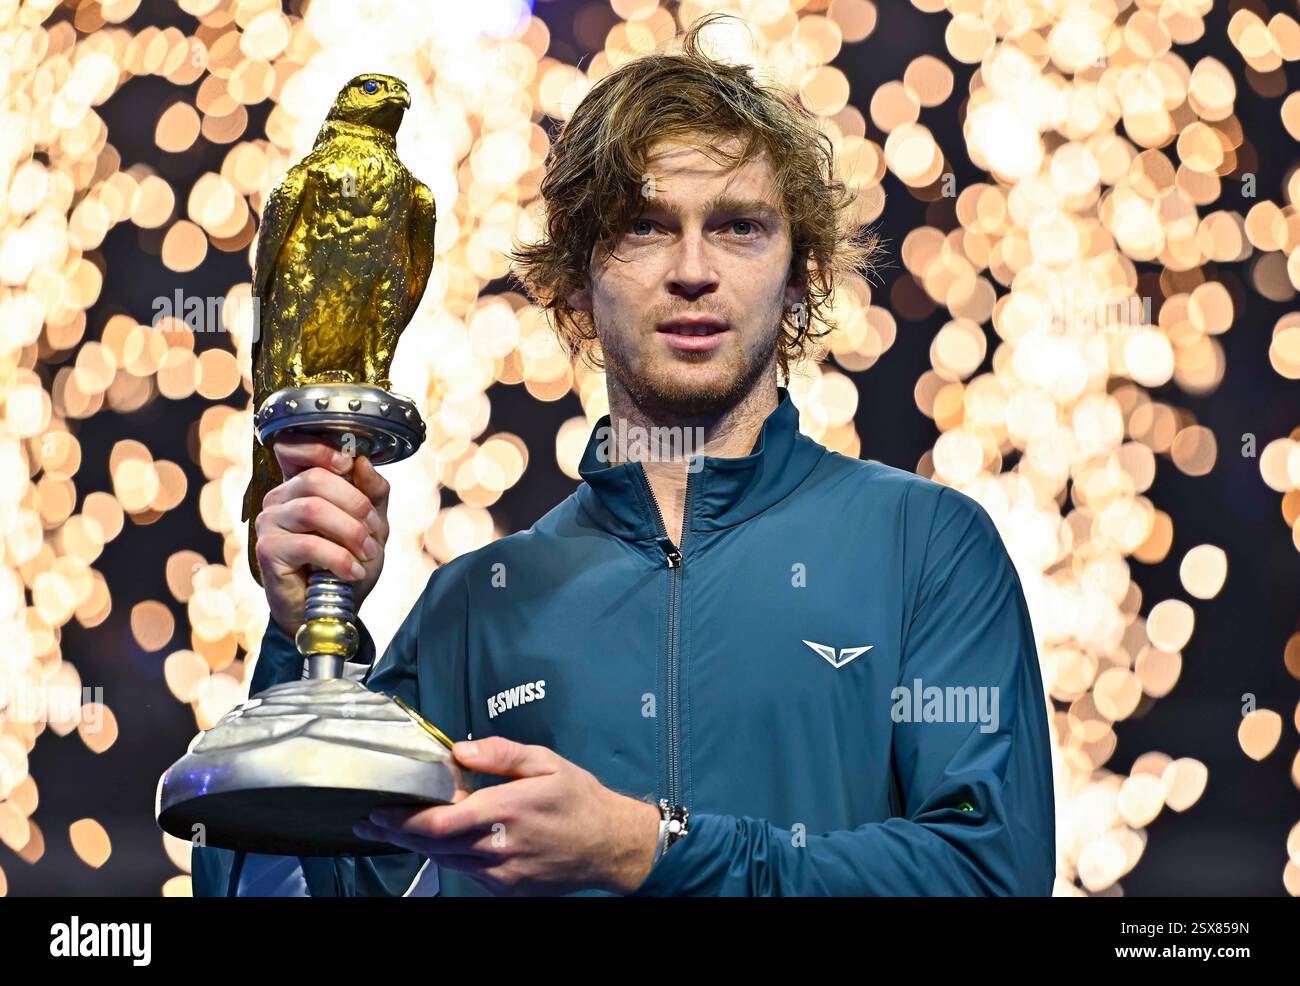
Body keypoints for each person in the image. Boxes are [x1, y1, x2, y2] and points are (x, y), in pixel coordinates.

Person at [193, 12, 1056, 897]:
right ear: (574, 278)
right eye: (644, 226)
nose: (693, 270)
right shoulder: (475, 609)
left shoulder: (926, 546)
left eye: (740, 227)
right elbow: (271, 890)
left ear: (799, 274)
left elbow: (991, 876)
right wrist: (300, 640)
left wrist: (649, 851)